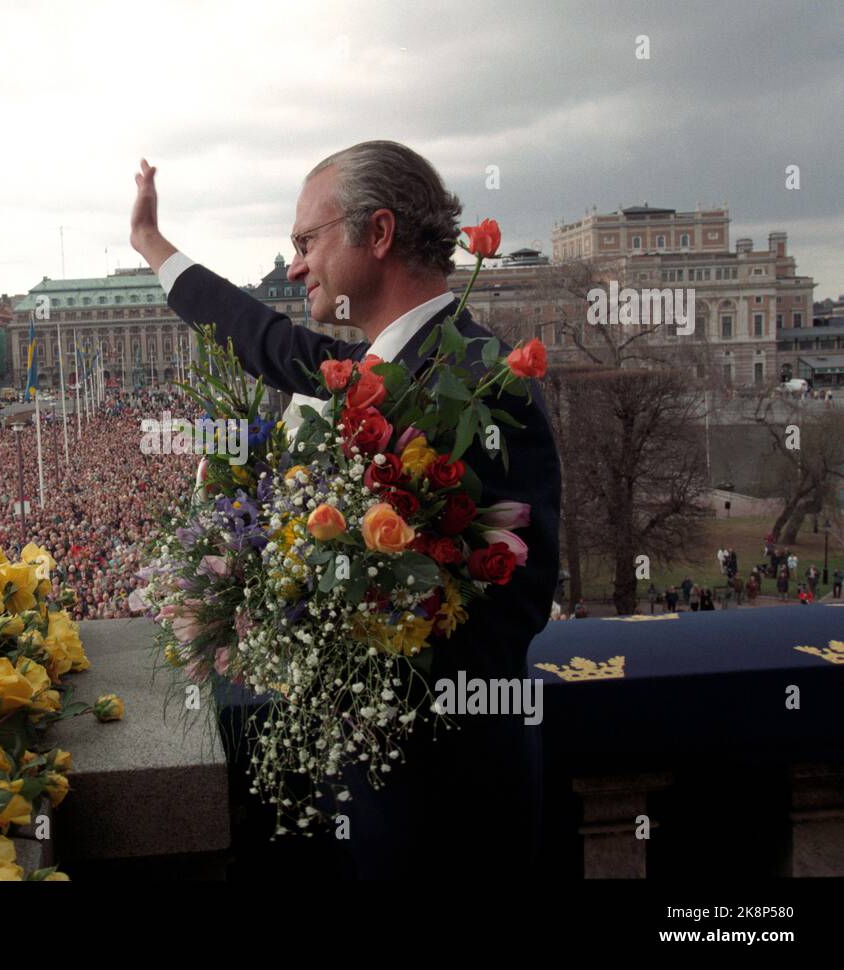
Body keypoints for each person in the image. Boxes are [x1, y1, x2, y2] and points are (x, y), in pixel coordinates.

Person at [130, 142, 561, 878]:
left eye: (306, 241)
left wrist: (281, 592)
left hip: (446, 815)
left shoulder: (481, 382)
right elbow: (258, 338)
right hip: (373, 794)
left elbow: (502, 611)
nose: (294, 266)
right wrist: (151, 244)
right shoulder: (368, 369)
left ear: (380, 233)